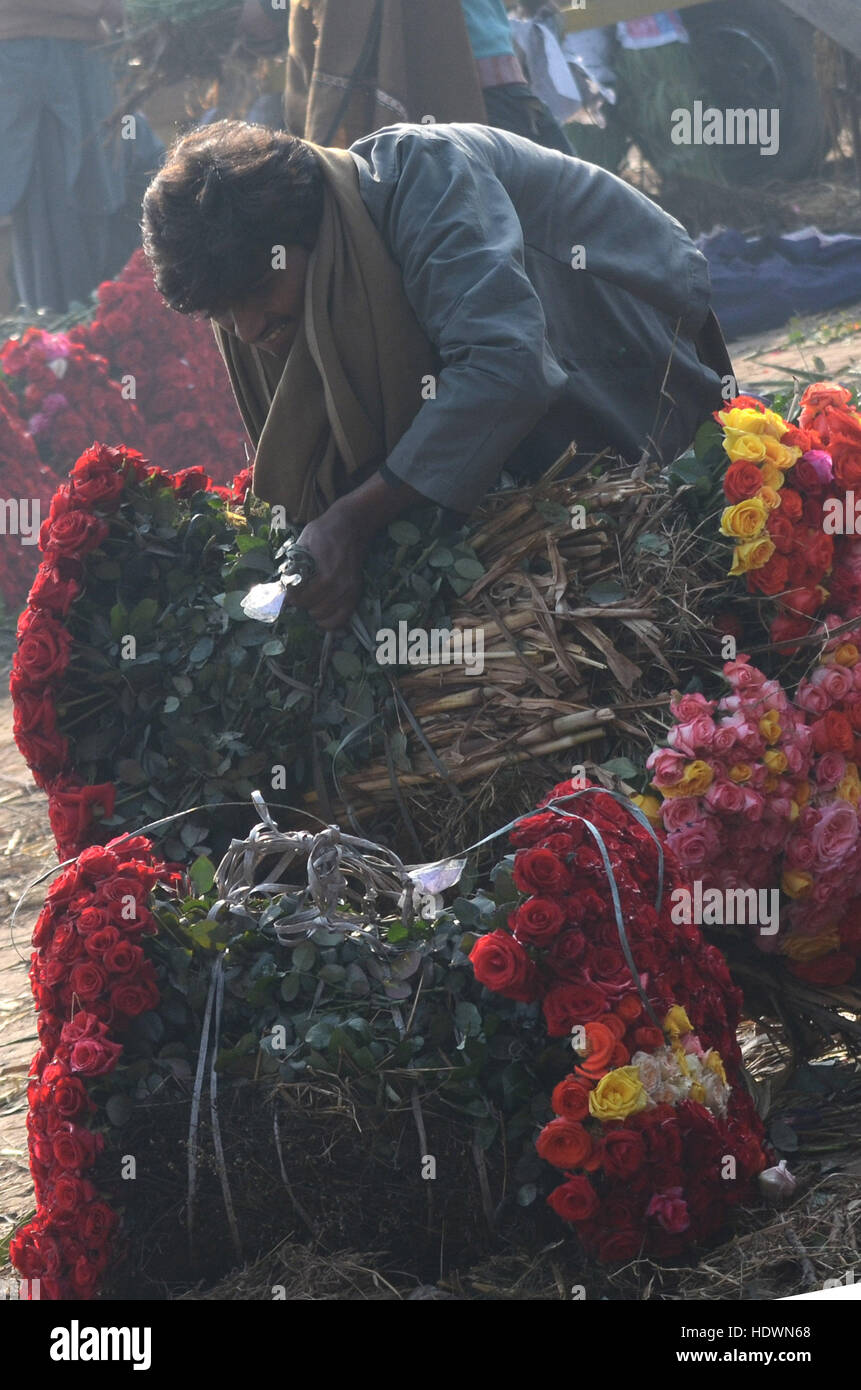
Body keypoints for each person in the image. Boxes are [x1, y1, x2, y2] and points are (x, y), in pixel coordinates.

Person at [141, 119, 733, 631]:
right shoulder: (257, 296)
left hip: (620, 340)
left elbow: (507, 366)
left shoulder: (422, 175)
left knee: (680, 547)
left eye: (256, 292)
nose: (243, 329)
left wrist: (353, 518)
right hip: (547, 379)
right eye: (219, 313)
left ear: (304, 239)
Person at [0, 0, 156, 312]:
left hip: (86, 58)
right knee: (59, 230)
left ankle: (109, 336)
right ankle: (67, 351)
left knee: (123, 192)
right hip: (38, 64)